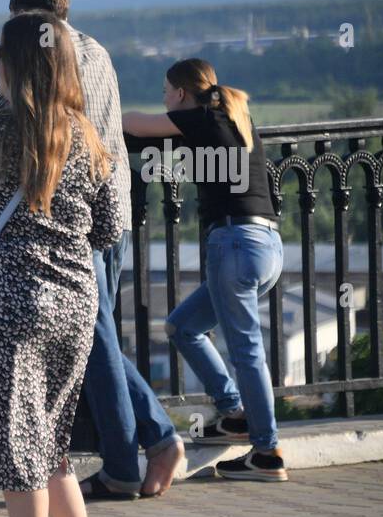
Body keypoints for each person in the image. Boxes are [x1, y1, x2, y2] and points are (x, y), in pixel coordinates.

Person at [0, 0, 185, 500]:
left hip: (62, 219)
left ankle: (132, 457)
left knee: (94, 342)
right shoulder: (98, 52)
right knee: (93, 338)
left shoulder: (49, 58)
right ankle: (151, 442)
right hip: (107, 207)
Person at [0, 10, 122, 517]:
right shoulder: (86, 134)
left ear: (16, 62)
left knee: (15, 445)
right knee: (49, 443)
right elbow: (108, 226)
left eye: (0, 52)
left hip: (9, 304)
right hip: (76, 302)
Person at [123, 60, 286, 481]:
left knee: (247, 352)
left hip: (233, 245)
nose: (163, 99)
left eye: (165, 91)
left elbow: (134, 125)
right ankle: (233, 414)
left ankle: (267, 453)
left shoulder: (199, 115)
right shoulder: (235, 114)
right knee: (183, 327)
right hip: (266, 245)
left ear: (180, 93)